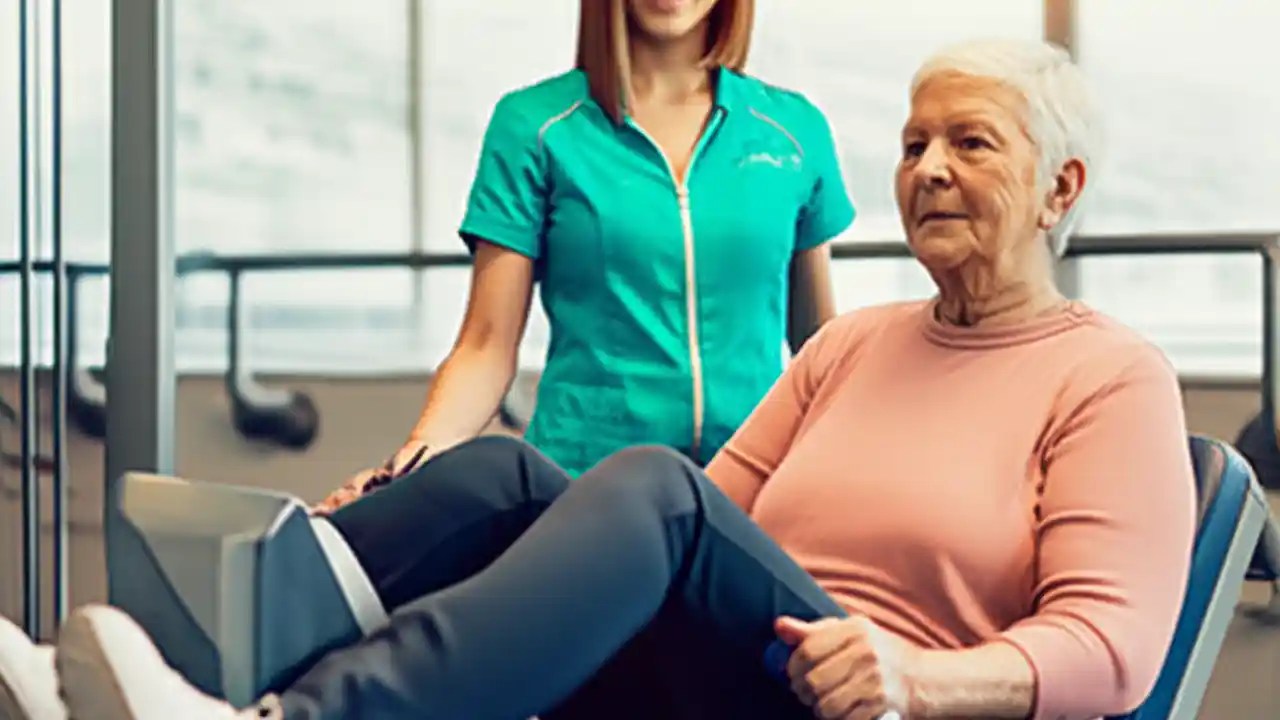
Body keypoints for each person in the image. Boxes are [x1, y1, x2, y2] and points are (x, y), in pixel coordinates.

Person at [0, 37, 1197, 720]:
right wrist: (411, 491)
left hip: (870, 697)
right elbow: (707, 520)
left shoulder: (1106, 379)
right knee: (510, 473)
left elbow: (1111, 650)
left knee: (651, 489)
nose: (925, 170)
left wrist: (920, 681)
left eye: (968, 144)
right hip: (734, 668)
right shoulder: (852, 348)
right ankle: (171, 684)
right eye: (910, 143)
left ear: (1061, 188)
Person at [314, 0, 855, 513]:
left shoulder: (794, 131)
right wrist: (403, 471)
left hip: (751, 495)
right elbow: (485, 346)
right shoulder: (535, 127)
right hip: (584, 494)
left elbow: (819, 350)